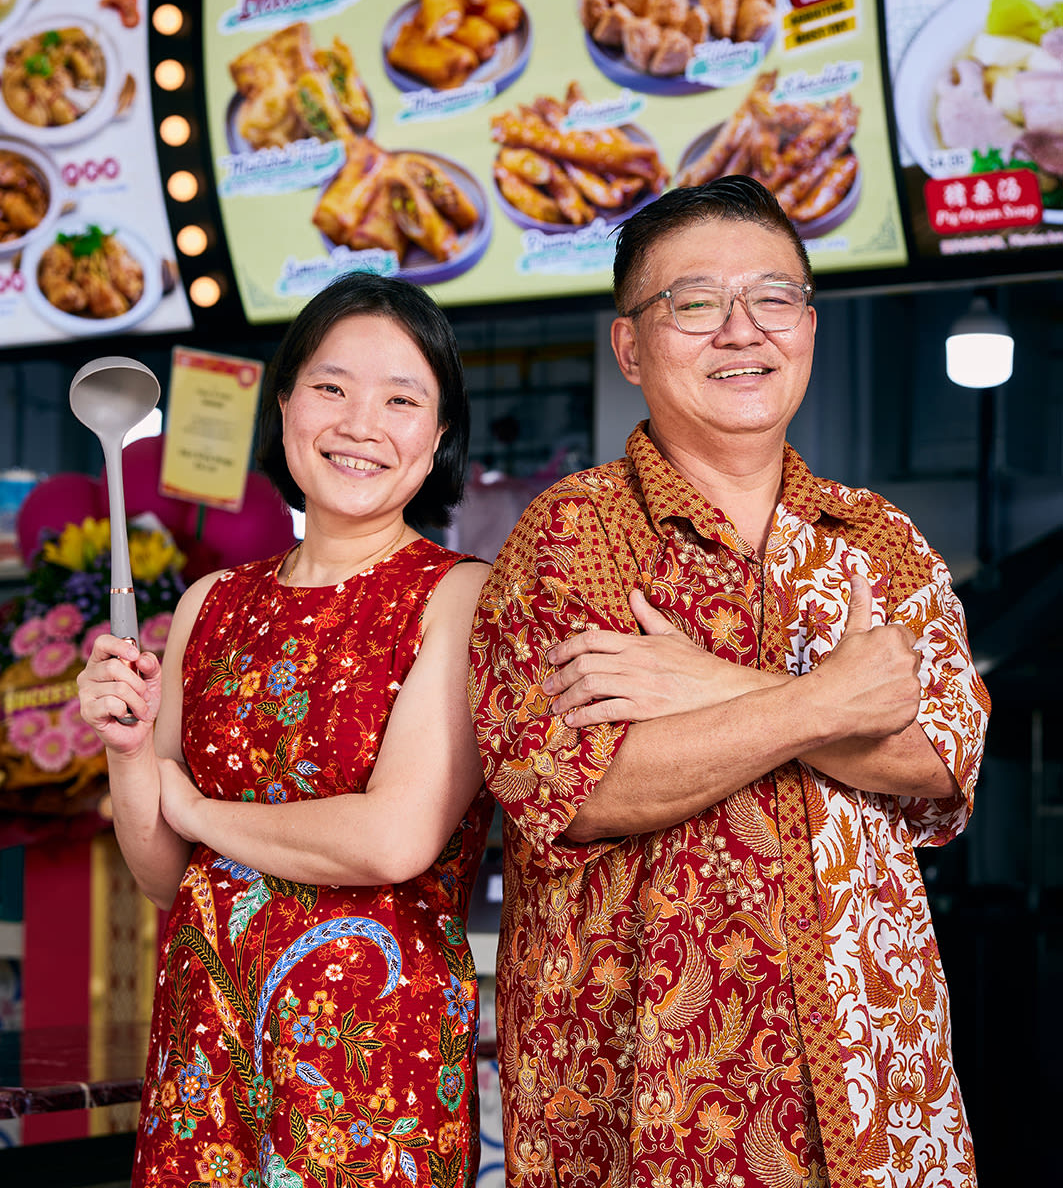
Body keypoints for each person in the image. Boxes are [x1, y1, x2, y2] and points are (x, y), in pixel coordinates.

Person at [469, 176, 987, 1188]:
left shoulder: (878, 538)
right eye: (695, 302)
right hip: (640, 1087)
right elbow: (571, 789)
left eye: (773, 297)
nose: (741, 330)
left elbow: (940, 756)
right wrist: (828, 700)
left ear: (808, 325)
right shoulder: (570, 537)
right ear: (629, 347)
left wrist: (701, 682)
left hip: (875, 1075)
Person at [79, 272, 492, 1188]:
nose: (360, 424)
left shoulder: (459, 596)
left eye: (401, 399)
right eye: (330, 387)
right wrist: (128, 747)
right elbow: (168, 879)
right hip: (203, 1053)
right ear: (284, 406)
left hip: (372, 1070)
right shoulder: (210, 604)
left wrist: (196, 810)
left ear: (437, 437)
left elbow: (392, 839)